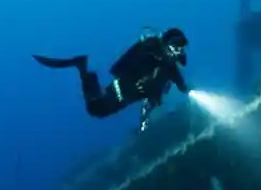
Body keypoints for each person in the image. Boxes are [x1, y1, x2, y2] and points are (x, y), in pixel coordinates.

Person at [33, 27, 191, 132]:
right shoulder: (155, 56)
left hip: (124, 91)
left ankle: (82, 68)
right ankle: (81, 66)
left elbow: (173, 82)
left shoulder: (164, 62)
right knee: (96, 109)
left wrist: (184, 88)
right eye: (177, 48)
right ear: (167, 45)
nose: (179, 52)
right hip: (122, 92)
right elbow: (158, 85)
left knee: (96, 108)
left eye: (181, 49)